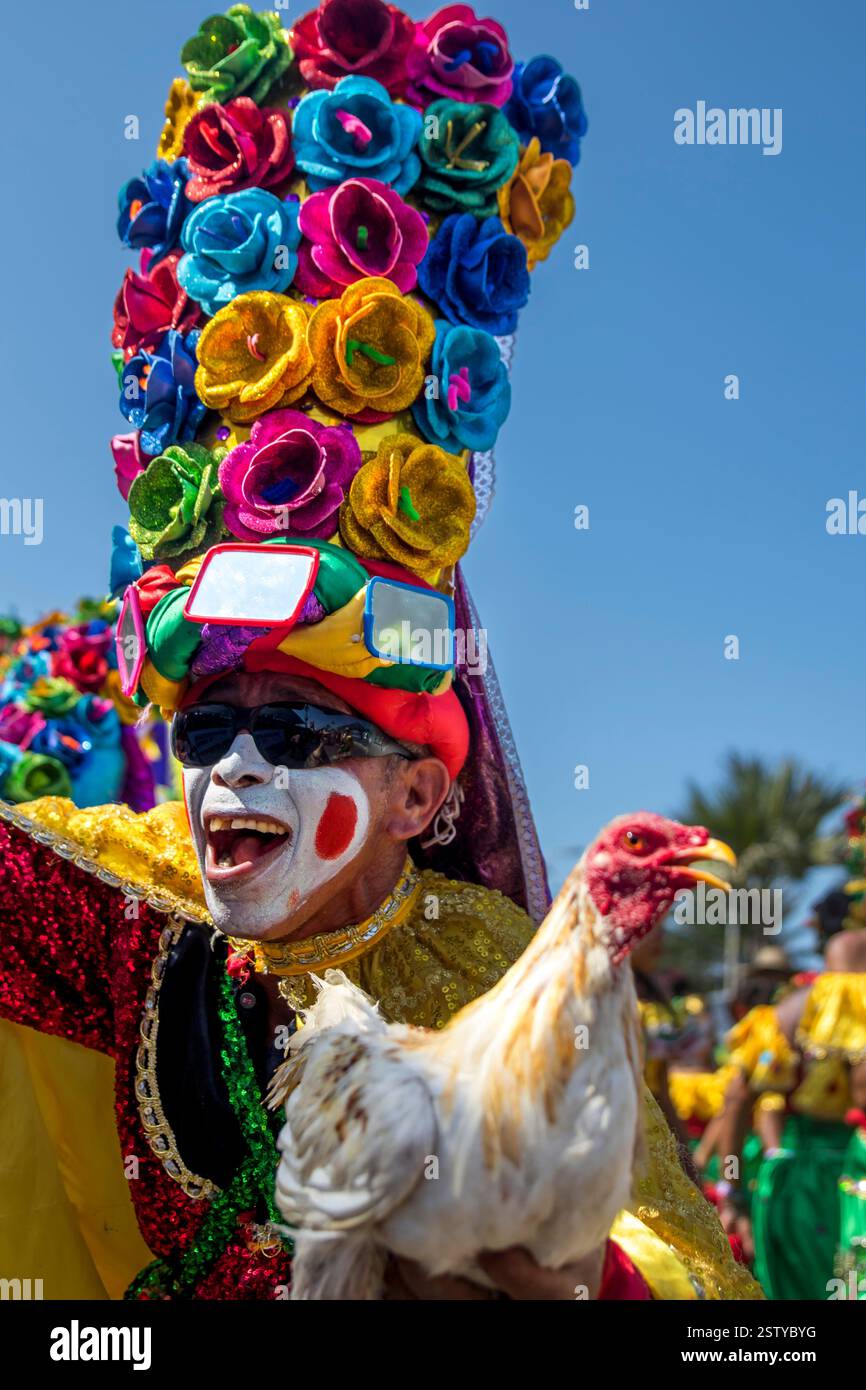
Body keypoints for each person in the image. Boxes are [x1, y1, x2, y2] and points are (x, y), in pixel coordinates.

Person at [0, 0, 760, 1303]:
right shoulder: (133, 909)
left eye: (294, 732)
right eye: (206, 727)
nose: (234, 766)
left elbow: (675, 1254)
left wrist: (561, 1275)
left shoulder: (492, 967)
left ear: (419, 792)